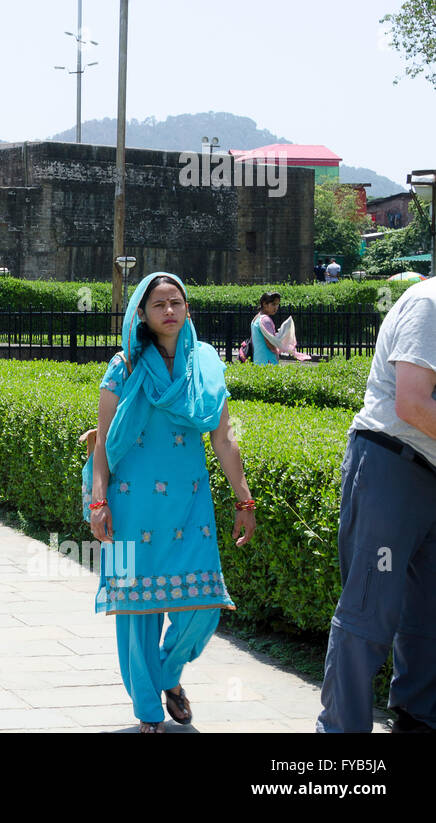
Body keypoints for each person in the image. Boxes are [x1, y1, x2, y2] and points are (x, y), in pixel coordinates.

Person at [82, 271, 256, 733]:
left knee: (202, 607)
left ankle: (168, 676)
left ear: (188, 309)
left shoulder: (206, 366)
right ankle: (148, 711)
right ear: (141, 314)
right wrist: (99, 502)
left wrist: (244, 499)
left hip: (189, 503)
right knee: (136, 612)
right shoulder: (124, 366)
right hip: (130, 502)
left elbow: (224, 438)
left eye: (176, 302)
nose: (169, 311)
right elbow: (103, 441)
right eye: (158, 304)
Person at [317, 277, 436, 733]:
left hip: (427, 471)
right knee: (369, 608)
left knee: (428, 610)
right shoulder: (429, 304)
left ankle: (417, 718)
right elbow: (412, 401)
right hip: (393, 465)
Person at [250, 291, 312, 365]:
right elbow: (270, 344)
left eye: (277, 304)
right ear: (264, 304)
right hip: (268, 360)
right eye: (273, 304)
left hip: (258, 359)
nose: (276, 307)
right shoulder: (265, 320)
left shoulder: (256, 318)